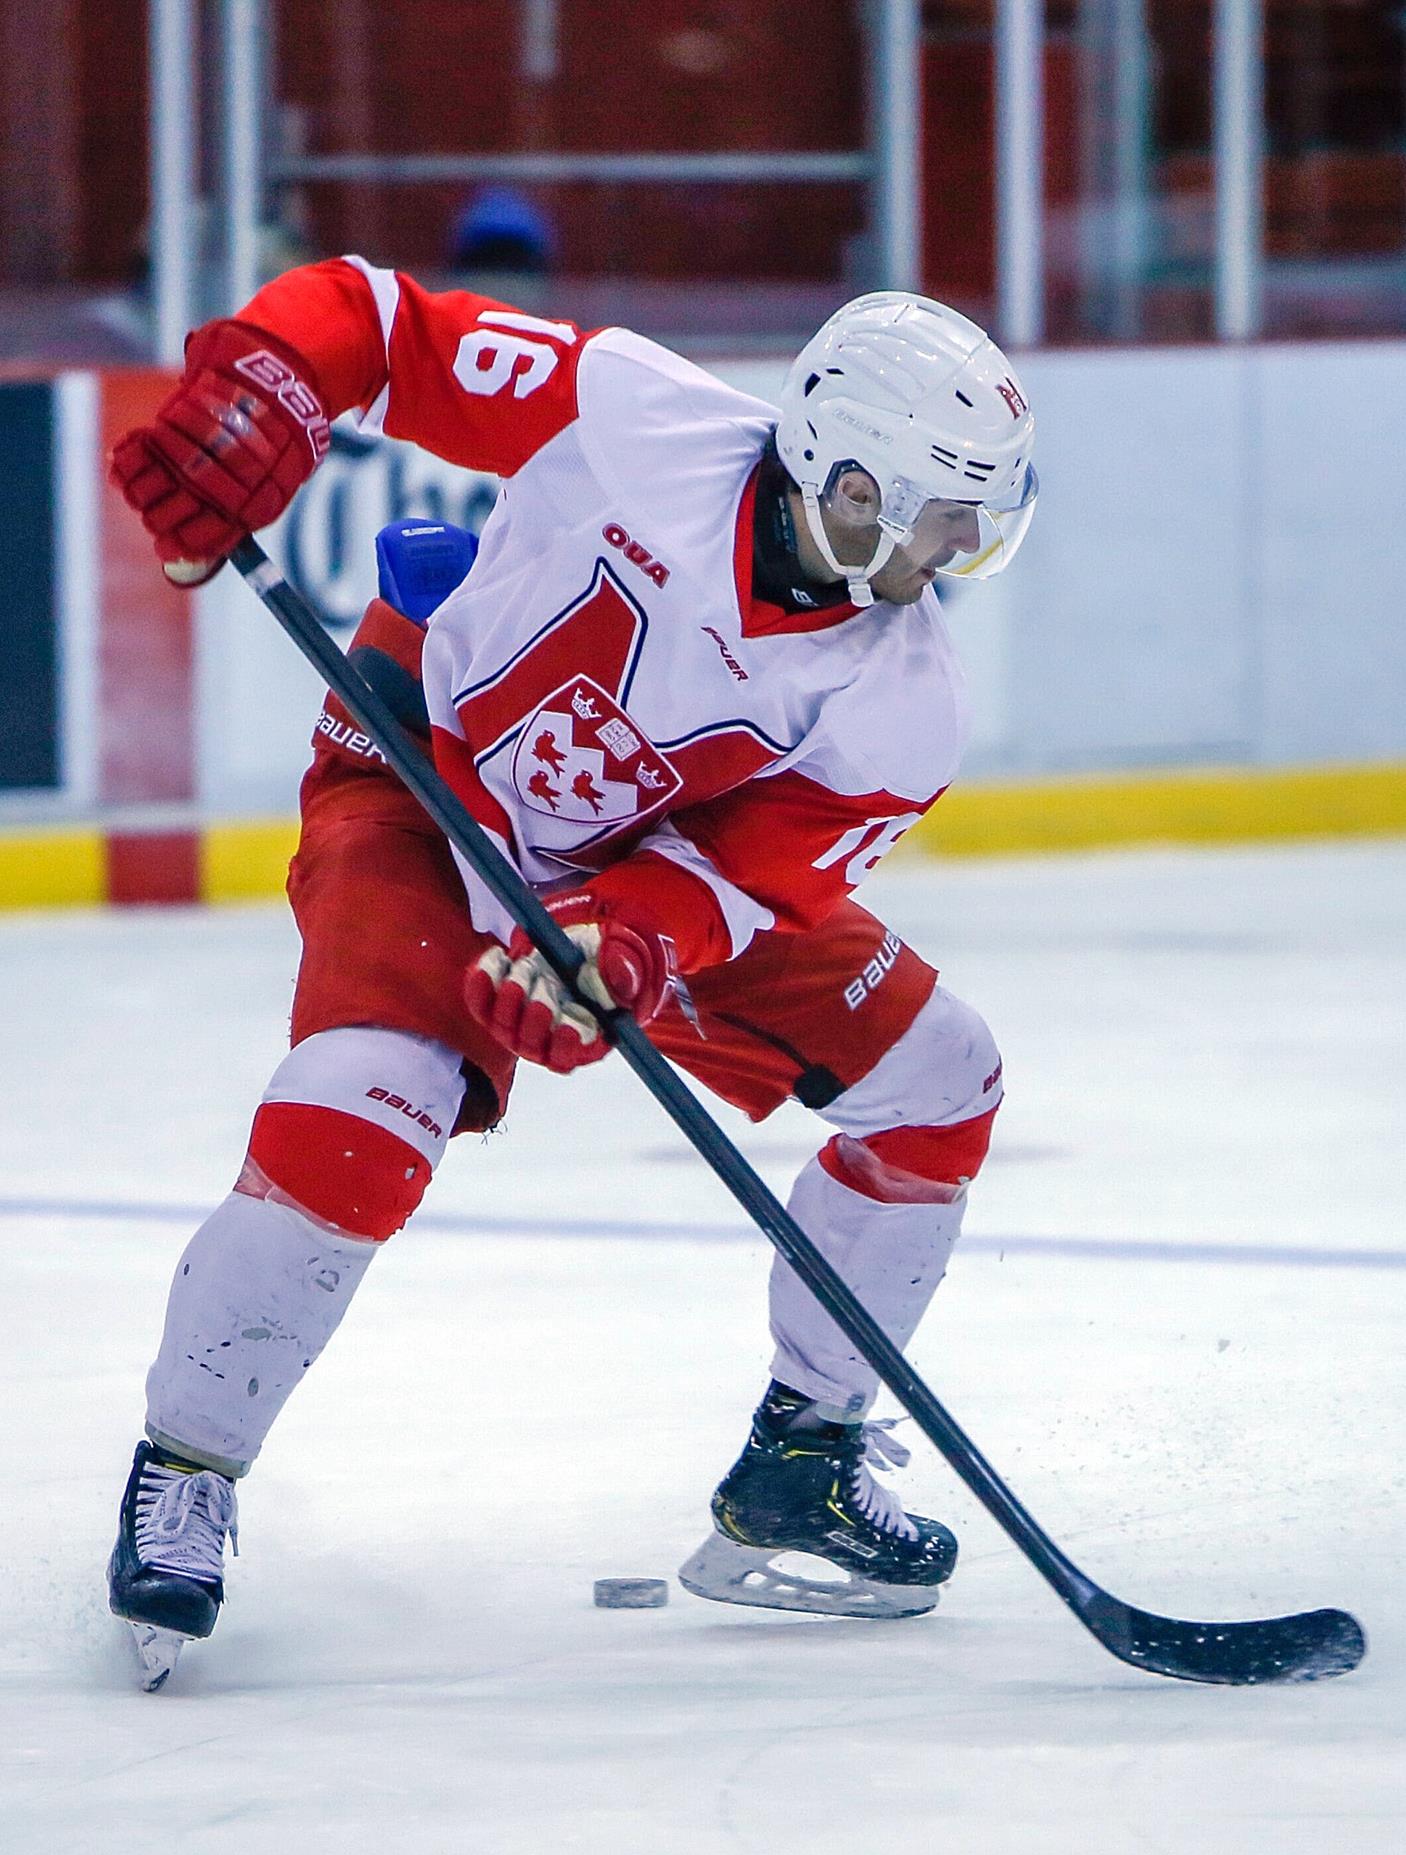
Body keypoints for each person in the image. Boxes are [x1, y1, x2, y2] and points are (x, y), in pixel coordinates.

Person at [105, 257, 1038, 1683]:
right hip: (427, 777)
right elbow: (375, 321)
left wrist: (624, 945)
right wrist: (261, 397)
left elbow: (738, 879)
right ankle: (188, 1466)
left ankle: (802, 1455)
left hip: (633, 863)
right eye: (934, 517)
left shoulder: (901, 704)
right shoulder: (628, 414)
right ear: (841, 479)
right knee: (369, 1102)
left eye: (977, 525)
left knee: (938, 1080)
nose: (950, 556)